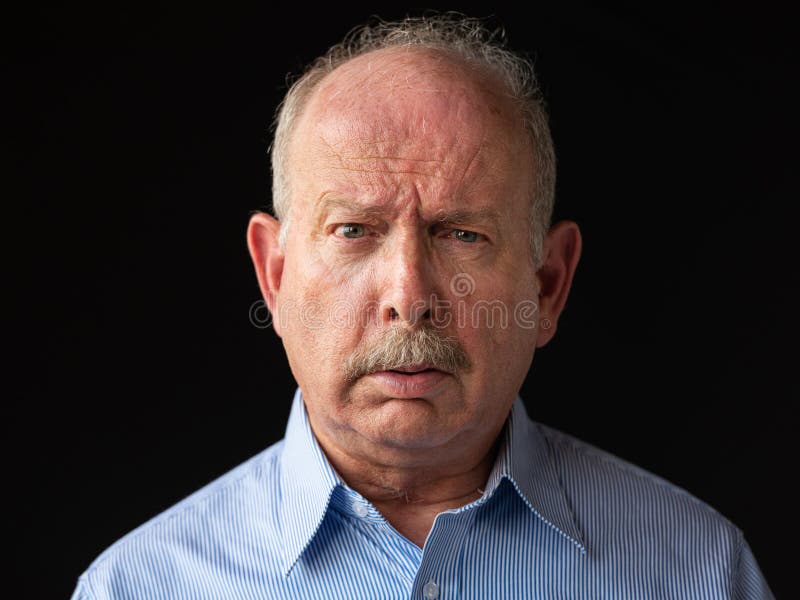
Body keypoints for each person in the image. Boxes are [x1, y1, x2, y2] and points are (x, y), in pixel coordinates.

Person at [71, 15, 773, 599]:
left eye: (462, 234)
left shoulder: (698, 571)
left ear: (547, 285)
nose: (409, 297)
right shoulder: (139, 585)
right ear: (275, 274)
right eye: (353, 231)